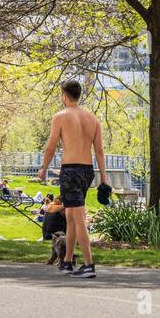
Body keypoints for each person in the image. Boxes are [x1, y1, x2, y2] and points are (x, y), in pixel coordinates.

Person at [37, 80, 107, 278]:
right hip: (87, 170)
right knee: (70, 216)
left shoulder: (60, 116)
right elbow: (99, 151)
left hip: (70, 170)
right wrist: (104, 177)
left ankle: (88, 264)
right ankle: (67, 261)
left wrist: (43, 168)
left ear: (64, 95)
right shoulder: (93, 119)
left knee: (78, 217)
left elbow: (50, 147)